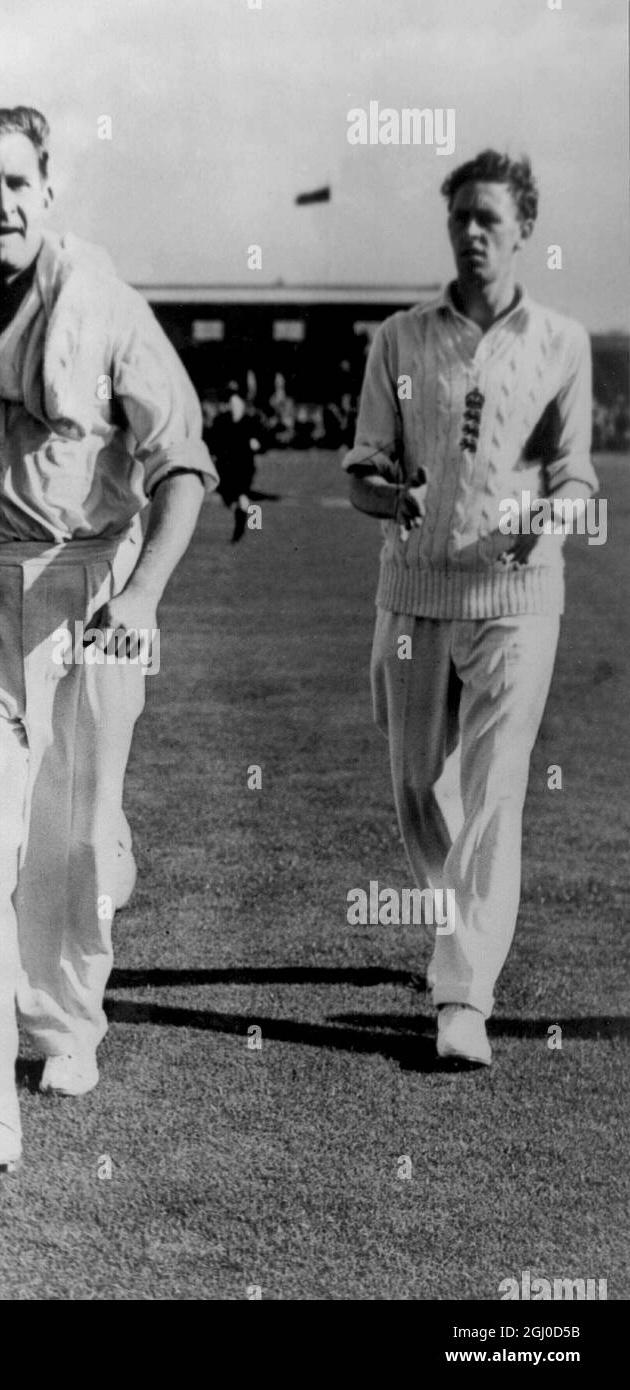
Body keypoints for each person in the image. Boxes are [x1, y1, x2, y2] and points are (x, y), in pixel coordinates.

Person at [0, 105, 216, 1175]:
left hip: (93, 597)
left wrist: (144, 596)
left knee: (71, 844)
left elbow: (183, 467)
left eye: (20, 183)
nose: (3, 204)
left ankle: (66, 1023)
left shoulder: (102, 302)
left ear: (47, 191)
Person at [343, 151, 597, 1067]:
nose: (474, 234)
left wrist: (549, 519)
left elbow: (575, 474)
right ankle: (456, 928)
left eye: (490, 218)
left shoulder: (562, 341)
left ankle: (463, 997)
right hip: (414, 595)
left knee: (494, 796)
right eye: (460, 219)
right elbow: (366, 464)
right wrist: (387, 495)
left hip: (518, 602)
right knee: (418, 791)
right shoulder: (399, 339)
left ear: (525, 226)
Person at [207, 381, 262, 540]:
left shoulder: (243, 418)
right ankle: (251, 526)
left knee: (240, 495)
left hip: (238, 464)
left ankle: (251, 527)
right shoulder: (225, 419)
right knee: (235, 497)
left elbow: (259, 439)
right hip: (232, 465)